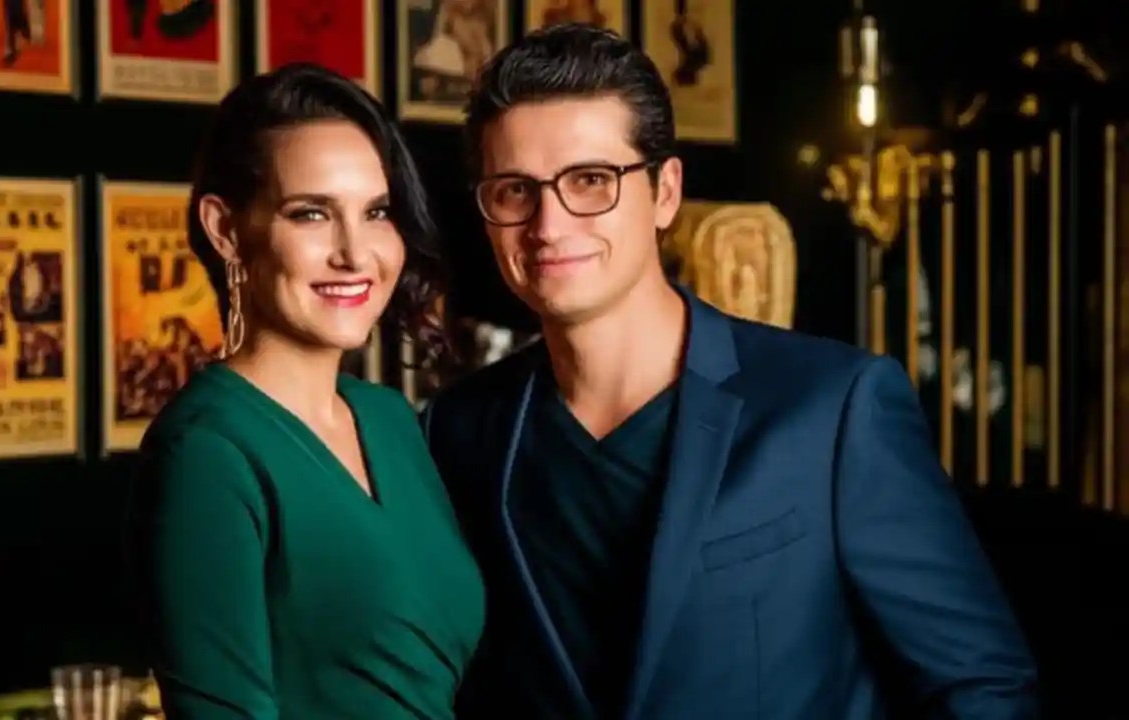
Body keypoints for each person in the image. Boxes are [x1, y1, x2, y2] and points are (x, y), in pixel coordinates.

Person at [419, 24, 1038, 719]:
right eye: (514, 190)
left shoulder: (833, 409)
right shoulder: (459, 431)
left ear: (665, 192)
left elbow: (982, 688)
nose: (549, 224)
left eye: (591, 181)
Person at [124, 63, 485, 719]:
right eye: (311, 214)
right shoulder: (206, 452)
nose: (355, 253)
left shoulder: (390, 419)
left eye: (376, 212)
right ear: (226, 229)